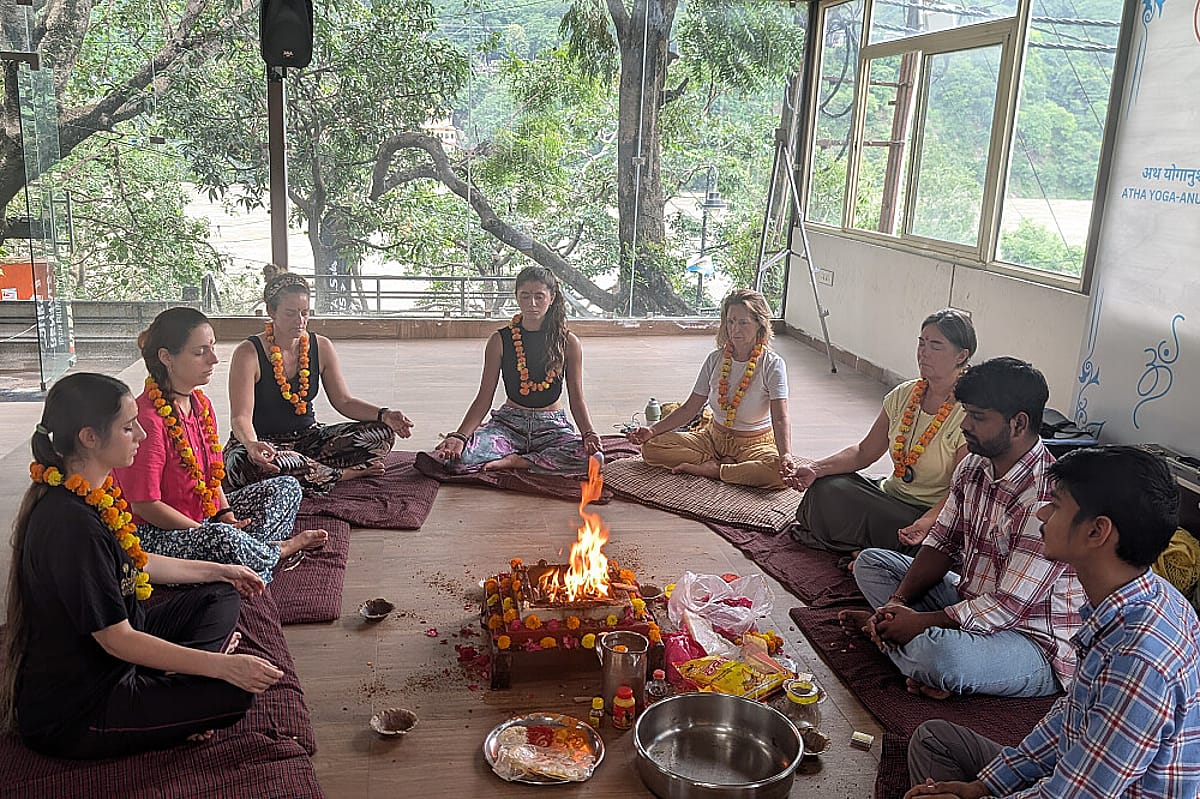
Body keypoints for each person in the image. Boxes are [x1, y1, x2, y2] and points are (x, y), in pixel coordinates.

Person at [0, 373, 284, 760]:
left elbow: (138, 561)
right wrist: (219, 666)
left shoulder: (88, 493)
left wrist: (222, 570)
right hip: (82, 708)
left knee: (219, 594)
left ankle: (176, 681)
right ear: (89, 437)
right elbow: (116, 640)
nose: (142, 436)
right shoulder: (70, 525)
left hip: (121, 653)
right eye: (128, 427)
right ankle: (182, 687)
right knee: (233, 692)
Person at [905, 445, 1200, 799]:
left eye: (1057, 505)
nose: (1043, 514)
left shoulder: (1138, 659)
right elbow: (1070, 717)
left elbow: (1077, 795)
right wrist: (985, 786)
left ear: (1097, 532)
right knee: (934, 739)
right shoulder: (1143, 597)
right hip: (1075, 774)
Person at [845, 357, 1084, 698]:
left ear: (1018, 424)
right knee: (871, 563)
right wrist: (897, 603)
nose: (965, 425)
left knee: (944, 657)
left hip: (1032, 640)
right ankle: (894, 631)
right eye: (966, 413)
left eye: (977, 417)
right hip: (971, 598)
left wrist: (919, 623)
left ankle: (895, 640)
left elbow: (1008, 607)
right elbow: (941, 541)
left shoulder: (1046, 498)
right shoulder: (974, 464)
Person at [112, 308, 327, 584]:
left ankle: (247, 559)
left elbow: (211, 477)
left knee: (286, 488)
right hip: (155, 534)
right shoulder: (148, 420)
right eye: (200, 352)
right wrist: (205, 532)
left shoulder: (201, 405)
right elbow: (145, 505)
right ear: (167, 358)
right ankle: (274, 551)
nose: (213, 359)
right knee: (222, 539)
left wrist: (225, 515)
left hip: (205, 516)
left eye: (212, 348)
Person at [787, 309, 975, 555]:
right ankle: (874, 553)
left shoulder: (970, 414)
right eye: (921, 343)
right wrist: (815, 469)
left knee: (928, 544)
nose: (924, 352)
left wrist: (927, 522)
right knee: (826, 488)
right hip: (887, 496)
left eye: (936, 346)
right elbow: (864, 452)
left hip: (926, 514)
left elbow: (960, 491)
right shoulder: (904, 395)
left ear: (961, 355)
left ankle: (865, 550)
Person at [225, 265, 414, 494]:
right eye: (290, 313)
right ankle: (342, 475)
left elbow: (343, 401)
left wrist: (384, 414)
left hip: (308, 441)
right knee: (243, 464)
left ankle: (307, 472)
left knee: (381, 435)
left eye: (305, 312)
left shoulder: (321, 346)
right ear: (271, 311)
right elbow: (240, 417)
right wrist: (252, 444)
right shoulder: (248, 353)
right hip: (263, 446)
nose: (300, 320)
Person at [431, 266, 600, 474]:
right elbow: (484, 397)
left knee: (592, 459)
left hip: (552, 427)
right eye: (525, 296)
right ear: (517, 297)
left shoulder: (568, 342)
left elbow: (577, 398)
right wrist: (460, 436)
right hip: (509, 425)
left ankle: (518, 462)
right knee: (457, 458)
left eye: (539, 296)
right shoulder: (500, 340)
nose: (532, 303)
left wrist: (588, 433)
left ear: (552, 297)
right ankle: (529, 458)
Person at [627, 289, 793, 489]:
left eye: (743, 322)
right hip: (712, 438)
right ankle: (729, 468)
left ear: (760, 324)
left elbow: (780, 417)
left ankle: (714, 470)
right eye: (730, 321)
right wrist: (652, 430)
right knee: (652, 447)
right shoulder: (715, 359)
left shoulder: (772, 364)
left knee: (777, 473)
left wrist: (785, 455)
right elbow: (690, 409)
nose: (735, 329)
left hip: (755, 444)